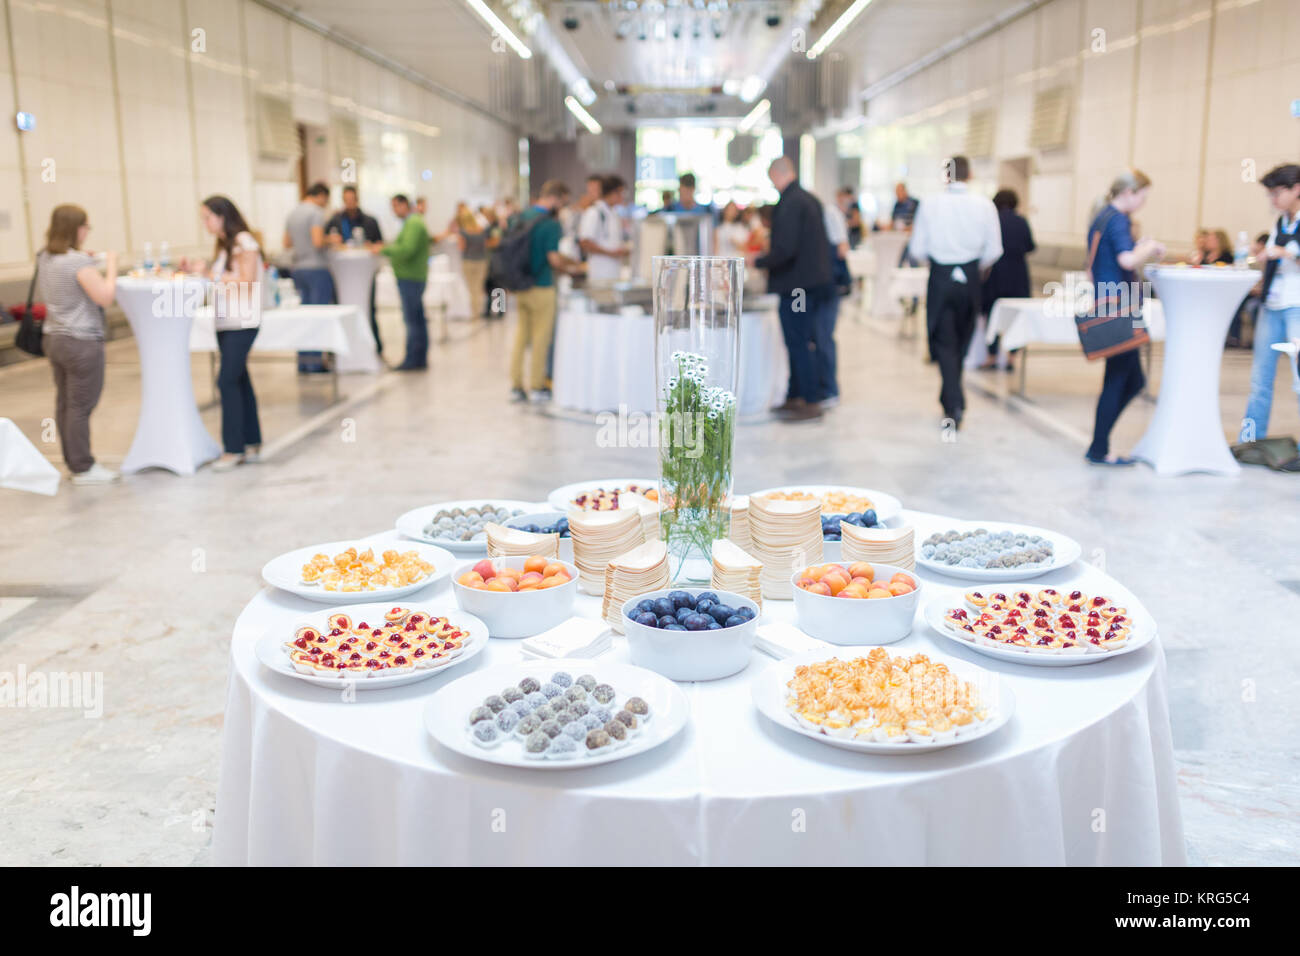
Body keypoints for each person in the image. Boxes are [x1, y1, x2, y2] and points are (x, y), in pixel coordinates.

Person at [907, 156, 1003, 426]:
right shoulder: (984, 204)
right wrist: (973, 266)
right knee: (962, 338)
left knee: (945, 340)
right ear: (970, 175)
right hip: (971, 277)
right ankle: (953, 399)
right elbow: (994, 250)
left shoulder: (930, 204)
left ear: (945, 176)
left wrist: (940, 265)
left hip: (940, 276)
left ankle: (952, 401)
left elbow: (917, 249)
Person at [1081, 170, 1166, 465]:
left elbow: (1093, 268)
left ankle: (1099, 444)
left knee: (1125, 379)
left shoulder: (1101, 216)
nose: (1143, 202)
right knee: (1124, 380)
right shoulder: (1118, 219)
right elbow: (1126, 260)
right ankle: (1099, 447)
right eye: (1143, 196)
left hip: (1108, 303)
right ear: (1129, 192)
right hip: (1120, 306)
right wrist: (1150, 248)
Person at [36, 205, 118, 484]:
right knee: (81, 405)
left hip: (54, 338)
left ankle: (74, 462)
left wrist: (86, 260)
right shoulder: (77, 263)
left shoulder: (45, 257)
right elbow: (105, 297)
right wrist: (112, 266)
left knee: (66, 403)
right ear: (77, 228)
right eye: (86, 227)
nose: (87, 232)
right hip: (81, 342)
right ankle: (83, 466)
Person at [751, 156, 834, 422]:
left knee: (797, 341)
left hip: (797, 287)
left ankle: (809, 400)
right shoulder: (809, 199)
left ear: (777, 175)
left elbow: (786, 248)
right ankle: (796, 395)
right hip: (809, 284)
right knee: (799, 340)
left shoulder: (790, 203)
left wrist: (760, 261)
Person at [197, 195, 265, 471]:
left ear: (223, 215)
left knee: (226, 381)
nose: (205, 223)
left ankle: (233, 449)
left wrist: (210, 276)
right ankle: (251, 441)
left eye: (207, 217)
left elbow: (247, 282)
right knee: (239, 380)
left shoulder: (244, 242)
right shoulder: (225, 246)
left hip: (243, 322)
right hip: (226, 322)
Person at [1242, 163, 1300, 450]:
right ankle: (1250, 441)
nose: (1273, 200)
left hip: (1297, 307)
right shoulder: (1280, 222)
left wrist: (1284, 253)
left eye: (1277, 193)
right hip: (1273, 303)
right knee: (1260, 379)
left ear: (1296, 189)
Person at [510, 180, 582, 403]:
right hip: (542, 286)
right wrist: (571, 269)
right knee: (542, 338)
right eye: (562, 202)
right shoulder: (551, 224)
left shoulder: (519, 217)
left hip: (520, 285)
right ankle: (537, 385)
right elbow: (553, 258)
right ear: (555, 198)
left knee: (522, 336)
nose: (562, 207)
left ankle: (516, 385)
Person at [980, 188, 1036, 372]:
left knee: (992, 314)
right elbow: (1030, 246)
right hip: (1018, 274)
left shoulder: (992, 221)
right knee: (1015, 315)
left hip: (995, 275)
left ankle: (992, 356)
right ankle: (1012, 357)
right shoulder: (1022, 221)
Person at [325, 185, 384, 351]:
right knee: (340, 308)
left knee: (368, 308)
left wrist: (370, 246)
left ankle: (373, 346)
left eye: (352, 199)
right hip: (343, 275)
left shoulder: (370, 221)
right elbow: (326, 240)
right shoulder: (335, 220)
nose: (349, 203)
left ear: (357, 199)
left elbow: (380, 243)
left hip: (363, 273)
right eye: (346, 199)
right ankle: (341, 347)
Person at [283, 182, 334, 372]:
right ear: (321, 195)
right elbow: (318, 241)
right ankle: (315, 363)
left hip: (299, 269)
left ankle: (304, 363)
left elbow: (287, 243)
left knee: (303, 316)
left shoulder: (293, 213)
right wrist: (332, 240)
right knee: (318, 316)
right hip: (316, 269)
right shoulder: (316, 213)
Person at [382, 194, 432, 370]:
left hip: (411, 277)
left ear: (404, 205)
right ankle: (418, 358)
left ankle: (413, 359)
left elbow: (407, 249)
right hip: (412, 276)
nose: (394, 211)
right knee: (417, 319)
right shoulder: (413, 223)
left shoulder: (413, 223)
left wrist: (384, 249)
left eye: (396, 206)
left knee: (412, 320)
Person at [577, 175, 629, 282]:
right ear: (612, 193)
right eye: (620, 193)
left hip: (613, 272)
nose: (622, 197)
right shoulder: (594, 212)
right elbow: (585, 242)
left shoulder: (614, 213)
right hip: (600, 273)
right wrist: (611, 253)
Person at [448, 203, 489, 317]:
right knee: (478, 288)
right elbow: (485, 245)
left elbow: (461, 247)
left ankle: (474, 313)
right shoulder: (481, 230)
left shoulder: (463, 232)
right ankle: (478, 310)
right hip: (481, 261)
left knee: (471, 289)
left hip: (469, 261)